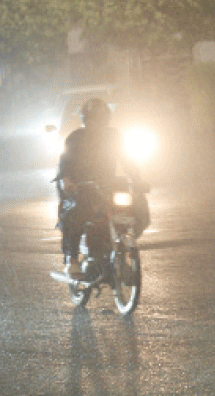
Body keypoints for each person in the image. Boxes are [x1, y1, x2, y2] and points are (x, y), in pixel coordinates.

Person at [54, 97, 145, 277]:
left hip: (107, 185)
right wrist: (67, 181)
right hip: (81, 187)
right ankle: (72, 260)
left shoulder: (114, 136)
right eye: (92, 119)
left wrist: (137, 179)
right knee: (76, 215)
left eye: (101, 119)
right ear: (85, 120)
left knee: (129, 211)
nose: (97, 124)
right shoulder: (75, 138)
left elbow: (127, 159)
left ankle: (119, 256)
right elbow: (64, 163)